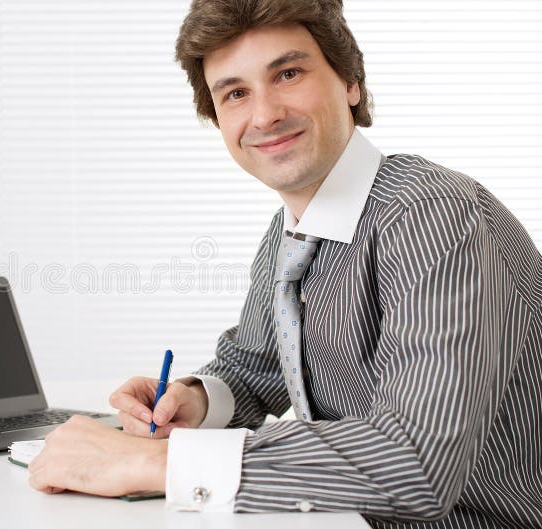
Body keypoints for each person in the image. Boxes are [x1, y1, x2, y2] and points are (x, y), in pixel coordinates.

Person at [27, 1, 542, 527]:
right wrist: (193, 401)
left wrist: (154, 462)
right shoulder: (290, 233)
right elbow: (257, 370)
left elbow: (414, 463)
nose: (265, 114)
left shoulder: (430, 215)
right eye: (235, 93)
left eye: (288, 73)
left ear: (350, 82)